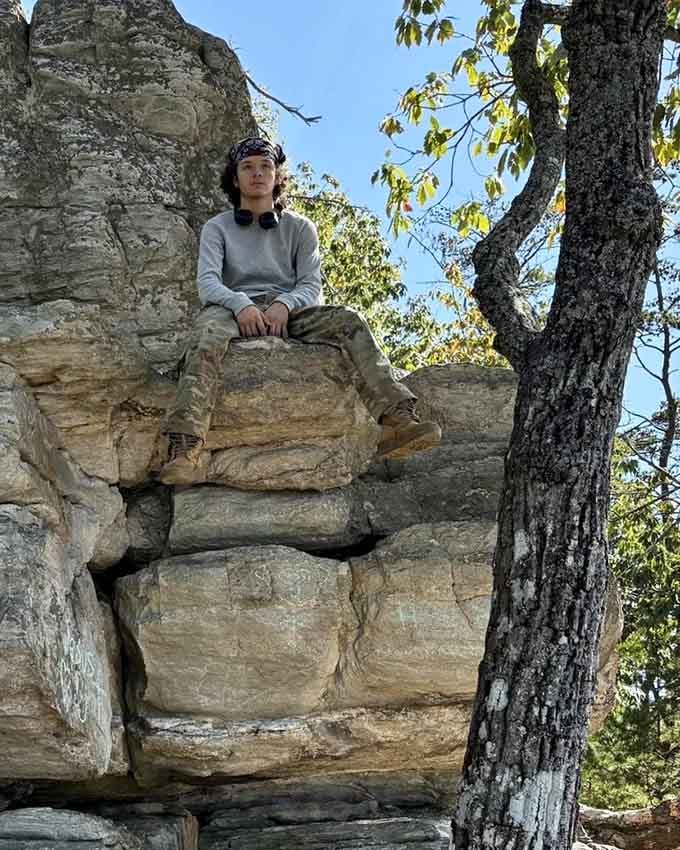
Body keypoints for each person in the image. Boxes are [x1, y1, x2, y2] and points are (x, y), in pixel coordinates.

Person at [159, 136, 441, 485]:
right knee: (205, 337)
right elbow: (208, 284)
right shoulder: (218, 227)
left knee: (348, 322)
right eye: (247, 167)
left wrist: (284, 304)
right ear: (235, 179)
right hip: (232, 308)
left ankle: (398, 420)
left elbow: (311, 285)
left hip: (289, 311)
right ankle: (185, 447)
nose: (258, 174)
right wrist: (242, 304)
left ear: (278, 176)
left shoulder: (300, 227)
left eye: (266, 167)